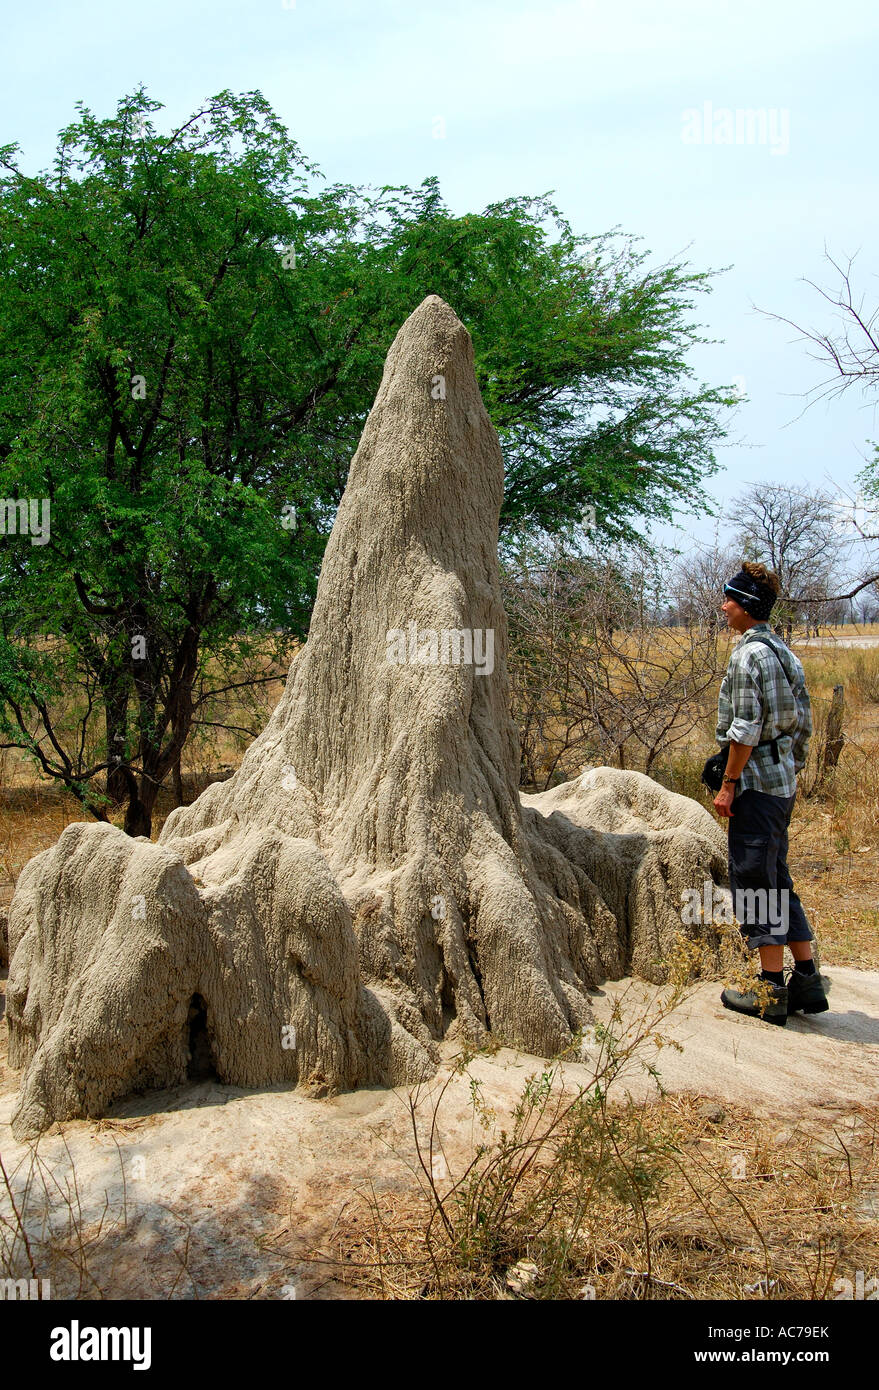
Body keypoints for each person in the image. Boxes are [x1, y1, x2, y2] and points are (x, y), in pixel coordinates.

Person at [714, 561, 828, 1025]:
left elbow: (745, 727)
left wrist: (729, 783)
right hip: (782, 785)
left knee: (756, 882)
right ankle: (806, 978)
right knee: (778, 879)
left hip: (756, 788)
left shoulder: (747, 655)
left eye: (730, 599)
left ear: (747, 607)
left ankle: (769, 992)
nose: (724, 607)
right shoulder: (783, 651)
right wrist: (789, 769)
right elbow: (803, 723)